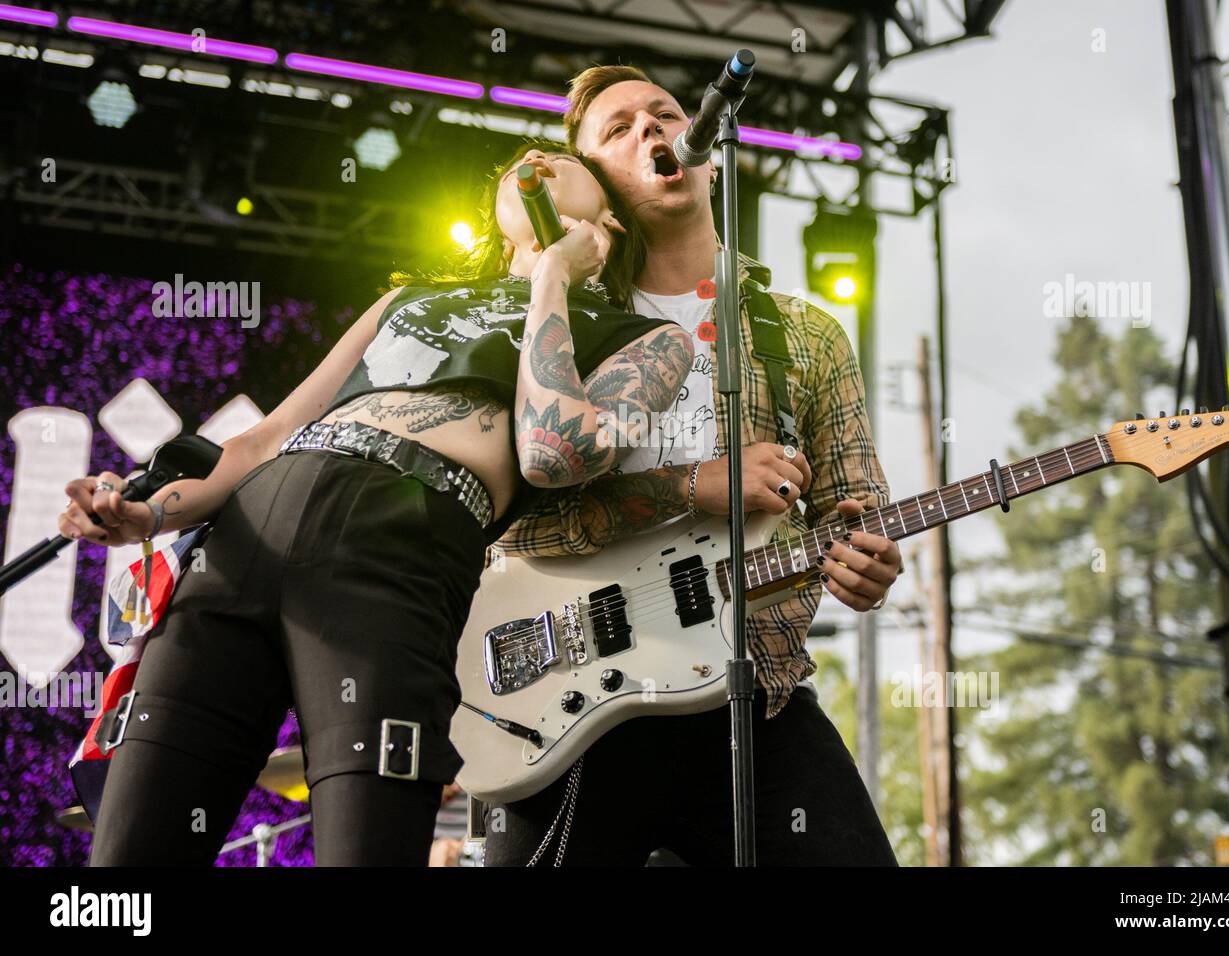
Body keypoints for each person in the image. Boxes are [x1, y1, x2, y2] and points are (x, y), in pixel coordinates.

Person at [57, 140, 693, 866]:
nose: (535, 155)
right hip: (248, 531)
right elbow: (263, 440)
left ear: (608, 225)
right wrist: (149, 515)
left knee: (365, 843)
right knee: (127, 858)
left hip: (399, 542)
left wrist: (553, 274)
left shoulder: (645, 340)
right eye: (529, 150)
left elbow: (556, 453)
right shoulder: (410, 298)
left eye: (563, 159)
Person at [483, 67, 904, 866]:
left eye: (665, 115)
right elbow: (509, 524)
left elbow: (856, 509)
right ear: (589, 185)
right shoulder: (552, 323)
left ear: (704, 150)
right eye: (617, 129)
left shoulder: (806, 334)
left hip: (756, 697)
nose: (650, 130)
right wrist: (692, 485)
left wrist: (870, 560)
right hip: (569, 709)